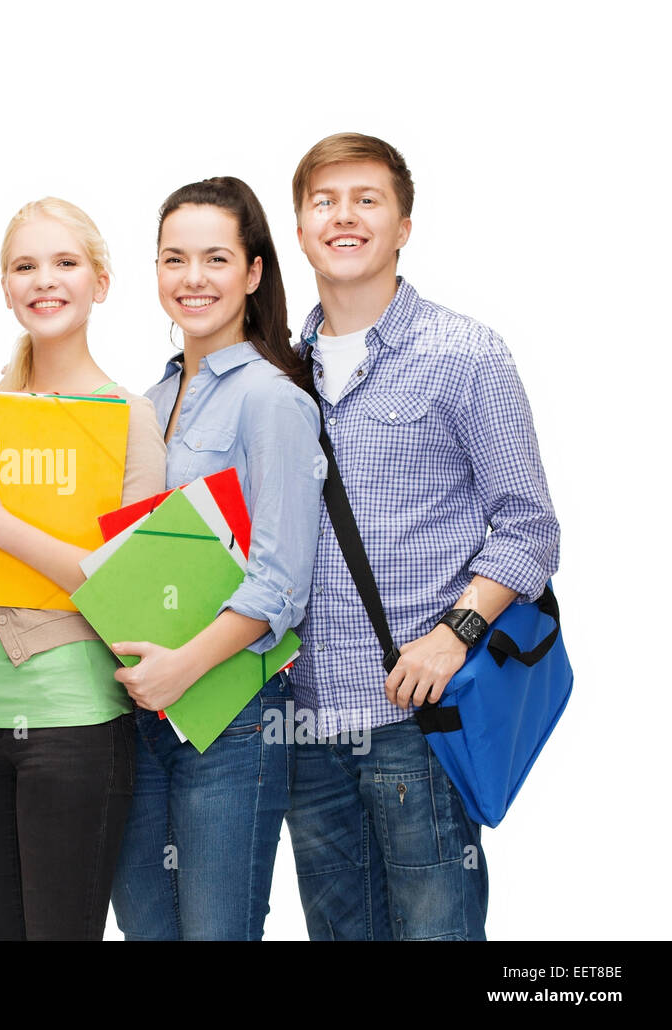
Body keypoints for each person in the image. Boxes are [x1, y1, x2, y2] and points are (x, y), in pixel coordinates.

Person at [283, 133, 560, 941]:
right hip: (305, 724)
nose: (344, 217)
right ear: (299, 227)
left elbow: (530, 529)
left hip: (417, 724)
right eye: (323, 202)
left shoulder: (465, 355)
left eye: (367, 200)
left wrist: (455, 632)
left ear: (403, 224)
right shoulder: (278, 370)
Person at [0, 197, 166, 941]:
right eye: (25, 266)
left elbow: (124, 586)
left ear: (100, 281)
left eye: (65, 263)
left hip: (76, 723)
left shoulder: (130, 418)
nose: (45, 280)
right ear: (5, 288)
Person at [107, 177, 323, 940]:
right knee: (147, 929)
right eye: (174, 259)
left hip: (231, 715)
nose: (192, 279)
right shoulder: (147, 399)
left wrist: (181, 668)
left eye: (215, 259)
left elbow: (280, 582)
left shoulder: (273, 401)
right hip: (138, 712)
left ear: (254, 272)